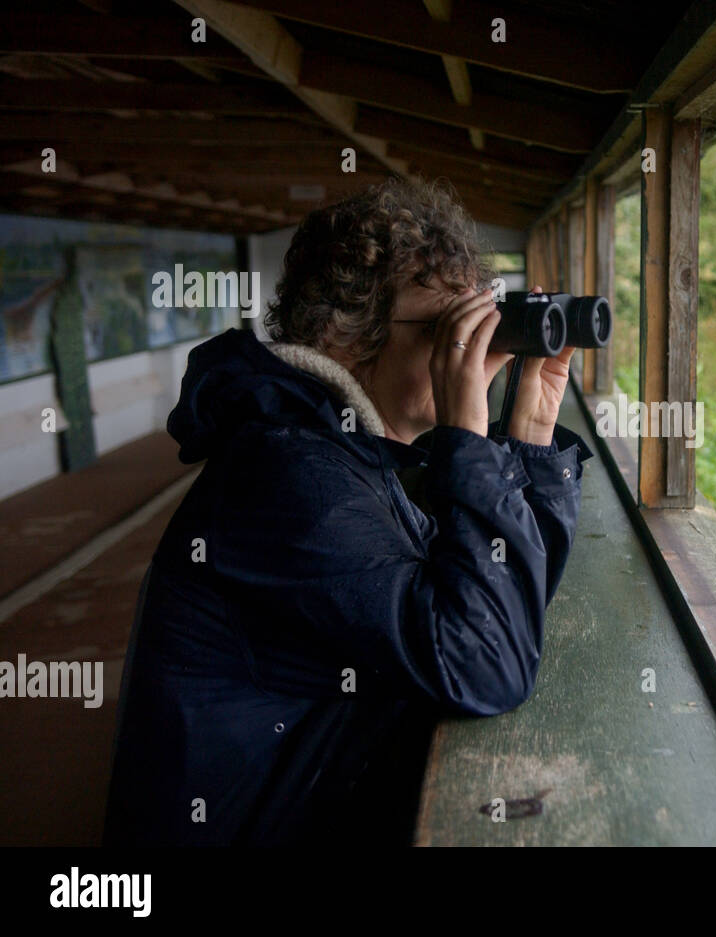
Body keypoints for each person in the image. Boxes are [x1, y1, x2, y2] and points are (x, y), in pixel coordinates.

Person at [103, 177, 594, 845]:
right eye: (448, 330)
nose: (470, 353)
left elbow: (506, 599)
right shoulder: (285, 474)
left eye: (476, 325)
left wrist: (532, 425)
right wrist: (468, 440)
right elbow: (486, 662)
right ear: (341, 335)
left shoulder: (355, 452)